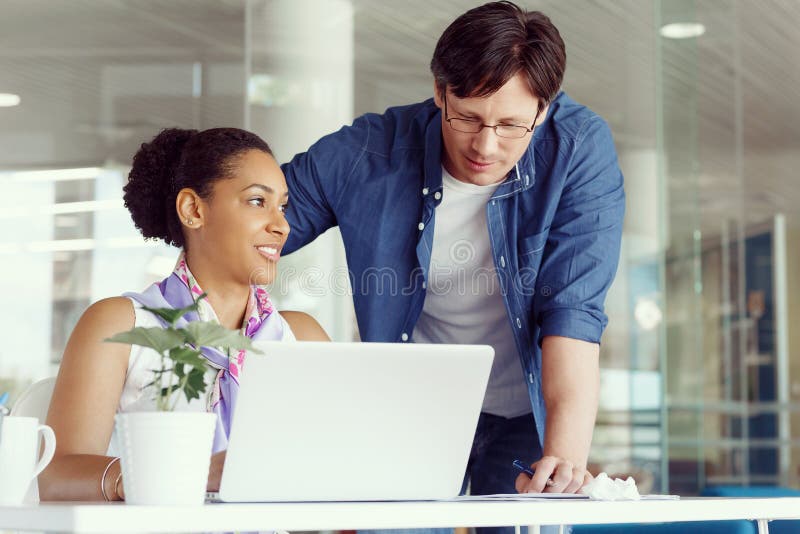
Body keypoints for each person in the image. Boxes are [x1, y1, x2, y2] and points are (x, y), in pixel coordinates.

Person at [280, 0, 624, 521]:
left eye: (512, 125)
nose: (486, 145)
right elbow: (254, 229)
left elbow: (572, 310)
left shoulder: (577, 149)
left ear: (545, 107)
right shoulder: (368, 152)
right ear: (440, 91)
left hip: (524, 415)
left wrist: (565, 459)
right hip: (410, 408)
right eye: (467, 117)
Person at [39, 127, 328, 501]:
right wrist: (191, 472)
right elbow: (56, 477)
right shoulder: (121, 325)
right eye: (258, 201)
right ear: (193, 209)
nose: (281, 225)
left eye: (282, 206)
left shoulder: (301, 339)